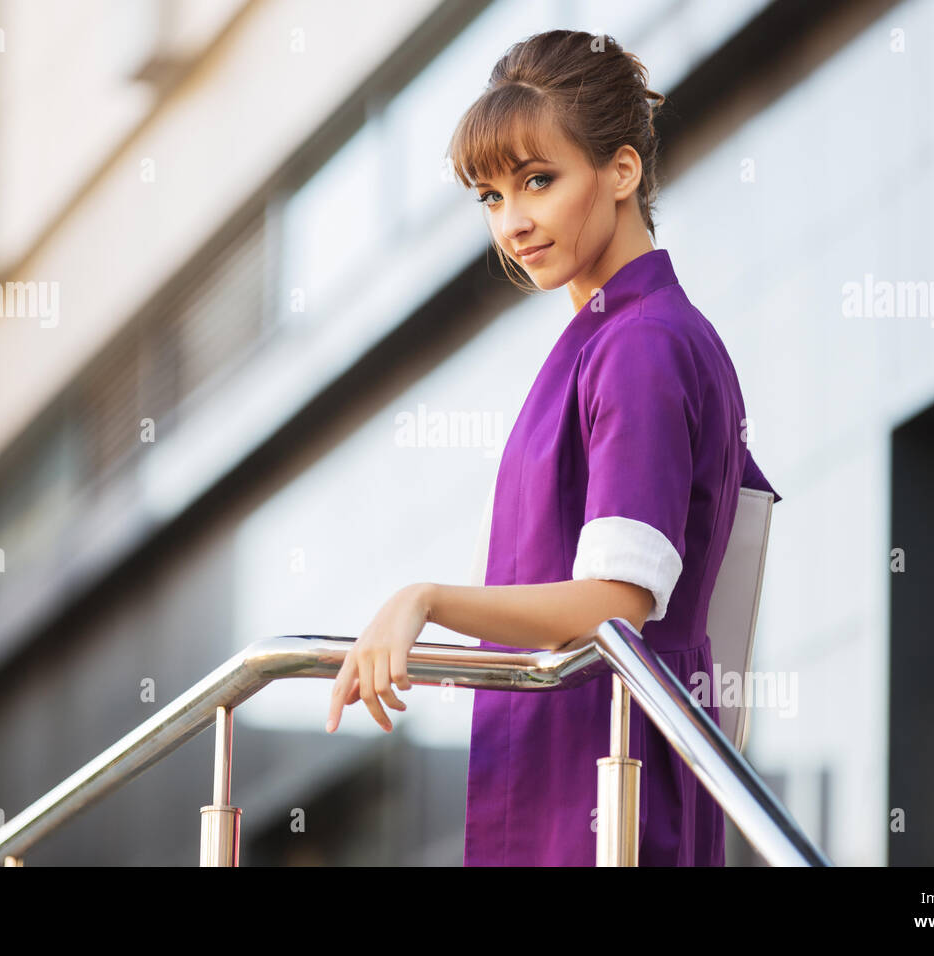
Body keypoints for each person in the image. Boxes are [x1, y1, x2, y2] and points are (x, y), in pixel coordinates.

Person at [324, 29, 781, 866]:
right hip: (582, 763)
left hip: (611, 777)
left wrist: (426, 599)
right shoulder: (611, 337)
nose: (514, 223)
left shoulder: (641, 342)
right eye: (490, 197)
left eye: (538, 181)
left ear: (621, 171)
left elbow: (615, 602)